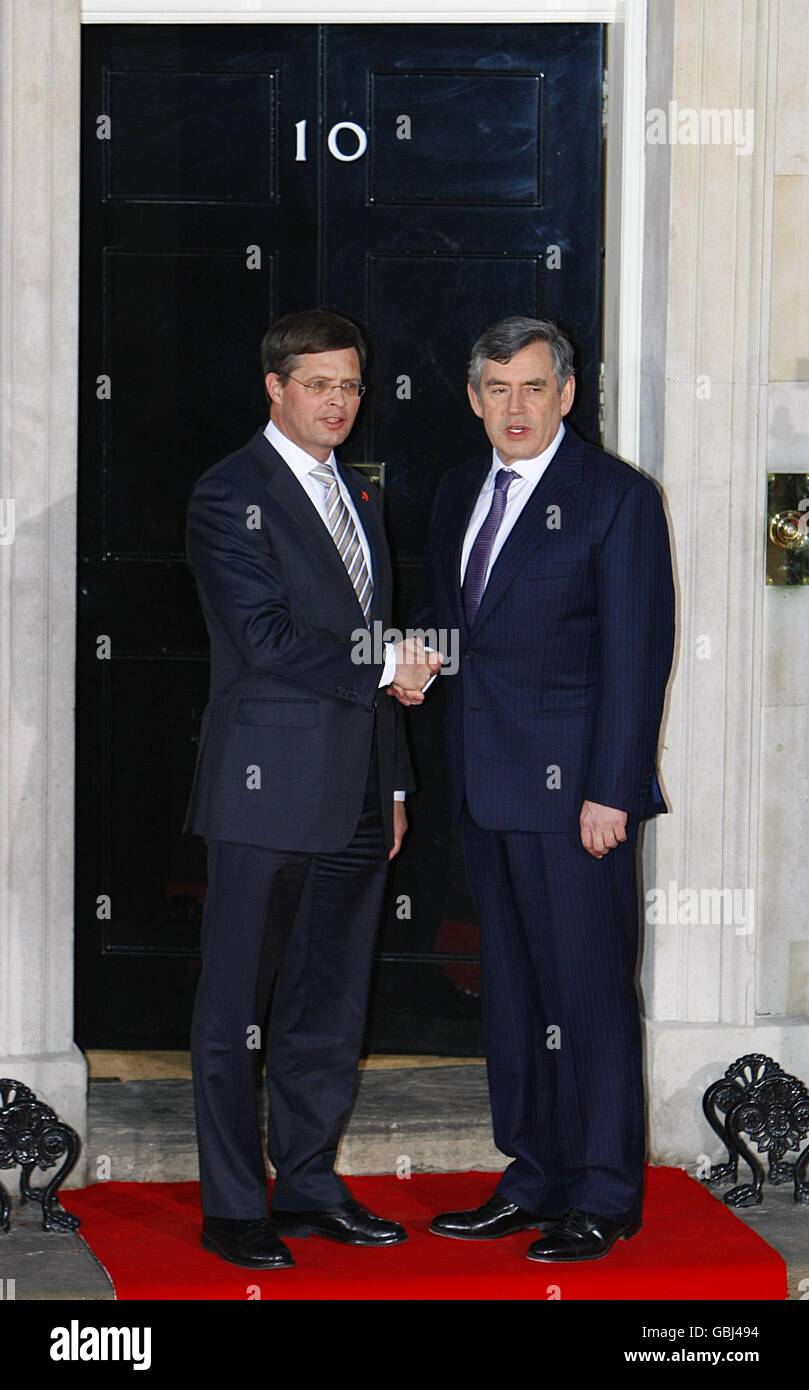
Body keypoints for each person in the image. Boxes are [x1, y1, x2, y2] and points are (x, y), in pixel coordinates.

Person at [390, 316, 675, 1262]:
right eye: (496, 390)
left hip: (576, 800)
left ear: (566, 394)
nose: (515, 407)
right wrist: (421, 651)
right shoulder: (461, 487)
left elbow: (637, 660)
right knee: (511, 995)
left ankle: (602, 1193)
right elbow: (447, 607)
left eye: (533, 388)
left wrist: (612, 791)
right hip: (481, 785)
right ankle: (532, 1175)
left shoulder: (615, 499)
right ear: (474, 400)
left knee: (587, 994)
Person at [184, 309, 440, 1270]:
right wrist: (385, 665)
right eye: (318, 383)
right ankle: (231, 1205)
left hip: (359, 795)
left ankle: (309, 1184)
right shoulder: (228, 494)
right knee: (233, 1005)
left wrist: (399, 784)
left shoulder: (359, 497)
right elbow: (264, 637)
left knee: (329, 1004)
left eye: (350, 386)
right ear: (274, 387)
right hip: (263, 791)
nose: (338, 401)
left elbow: (379, 640)